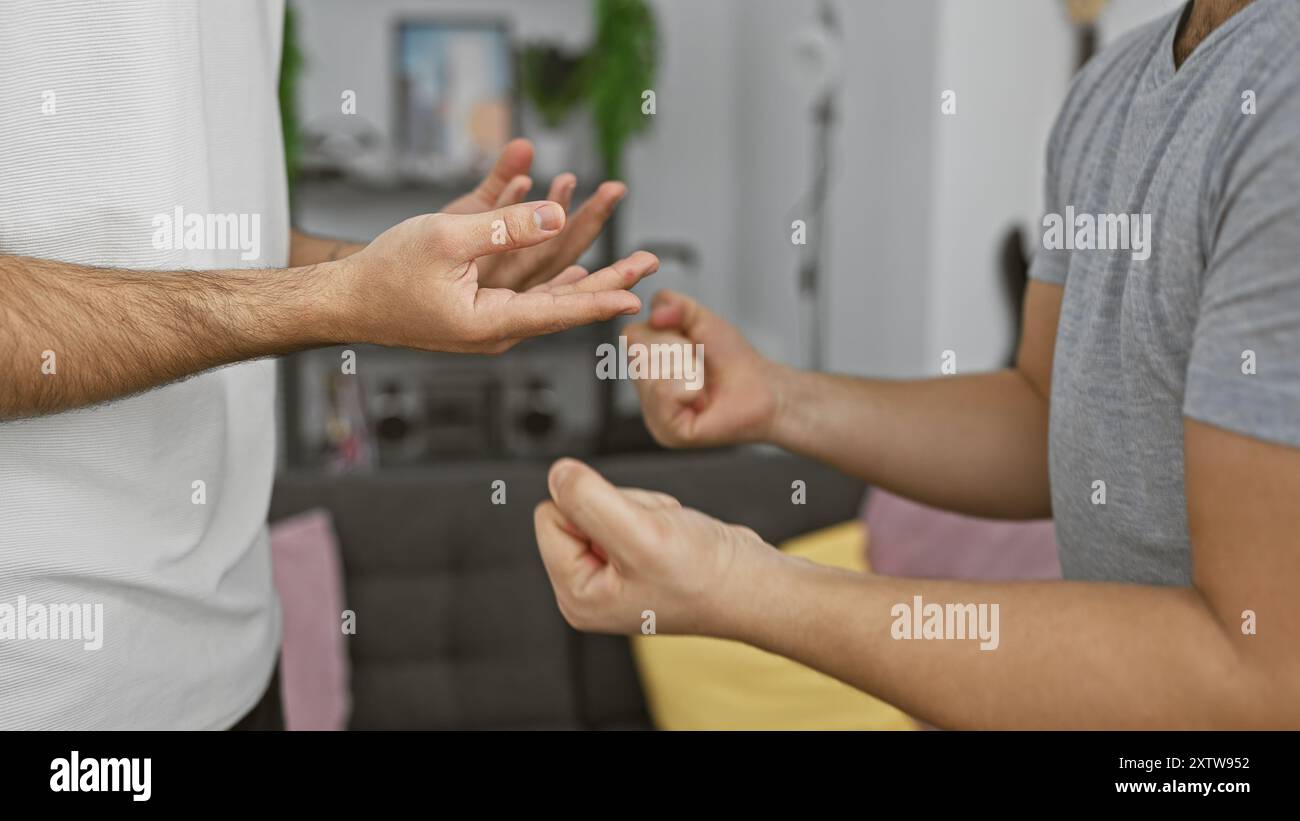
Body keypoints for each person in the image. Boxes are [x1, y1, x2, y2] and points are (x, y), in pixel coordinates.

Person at [534, 0, 1300, 728]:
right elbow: (1049, 417)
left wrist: (746, 587)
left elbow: (1255, 676)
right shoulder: (1105, 94)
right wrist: (778, 399)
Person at [0, 0, 655, 729]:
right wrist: (339, 298)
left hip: (236, 667)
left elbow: (209, 250)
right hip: (47, 698)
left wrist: (400, 271)